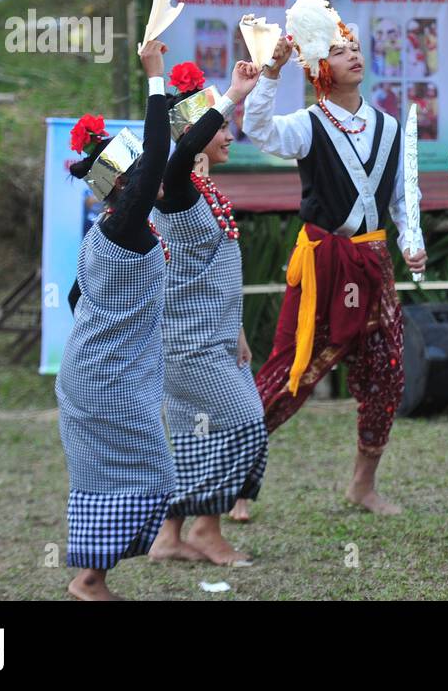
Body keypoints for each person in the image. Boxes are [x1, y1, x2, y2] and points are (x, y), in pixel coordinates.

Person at [241, 0, 427, 516]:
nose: (354, 56)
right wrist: (273, 72)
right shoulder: (306, 124)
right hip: (324, 264)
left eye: (356, 48)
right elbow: (260, 132)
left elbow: (402, 199)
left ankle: (362, 485)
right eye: (340, 51)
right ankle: (236, 479)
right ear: (321, 67)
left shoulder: (388, 127)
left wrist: (413, 241)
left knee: (387, 371)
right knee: (291, 372)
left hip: (373, 262)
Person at [58, 39, 175, 601]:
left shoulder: (106, 231)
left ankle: (92, 578)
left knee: (111, 476)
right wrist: (155, 80)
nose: (155, 180)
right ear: (123, 186)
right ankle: (89, 580)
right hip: (105, 379)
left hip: (98, 371)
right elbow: (157, 159)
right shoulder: (123, 227)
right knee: (152, 475)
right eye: (141, 176)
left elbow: (80, 300)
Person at [146, 61, 269, 564]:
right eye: (221, 128)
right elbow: (175, 161)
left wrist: (236, 328)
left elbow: (210, 273)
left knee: (204, 436)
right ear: (195, 136)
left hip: (216, 341)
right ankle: (205, 528)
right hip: (186, 347)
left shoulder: (208, 196)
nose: (229, 135)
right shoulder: (175, 193)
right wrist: (233, 94)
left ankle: (168, 537)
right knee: (245, 426)